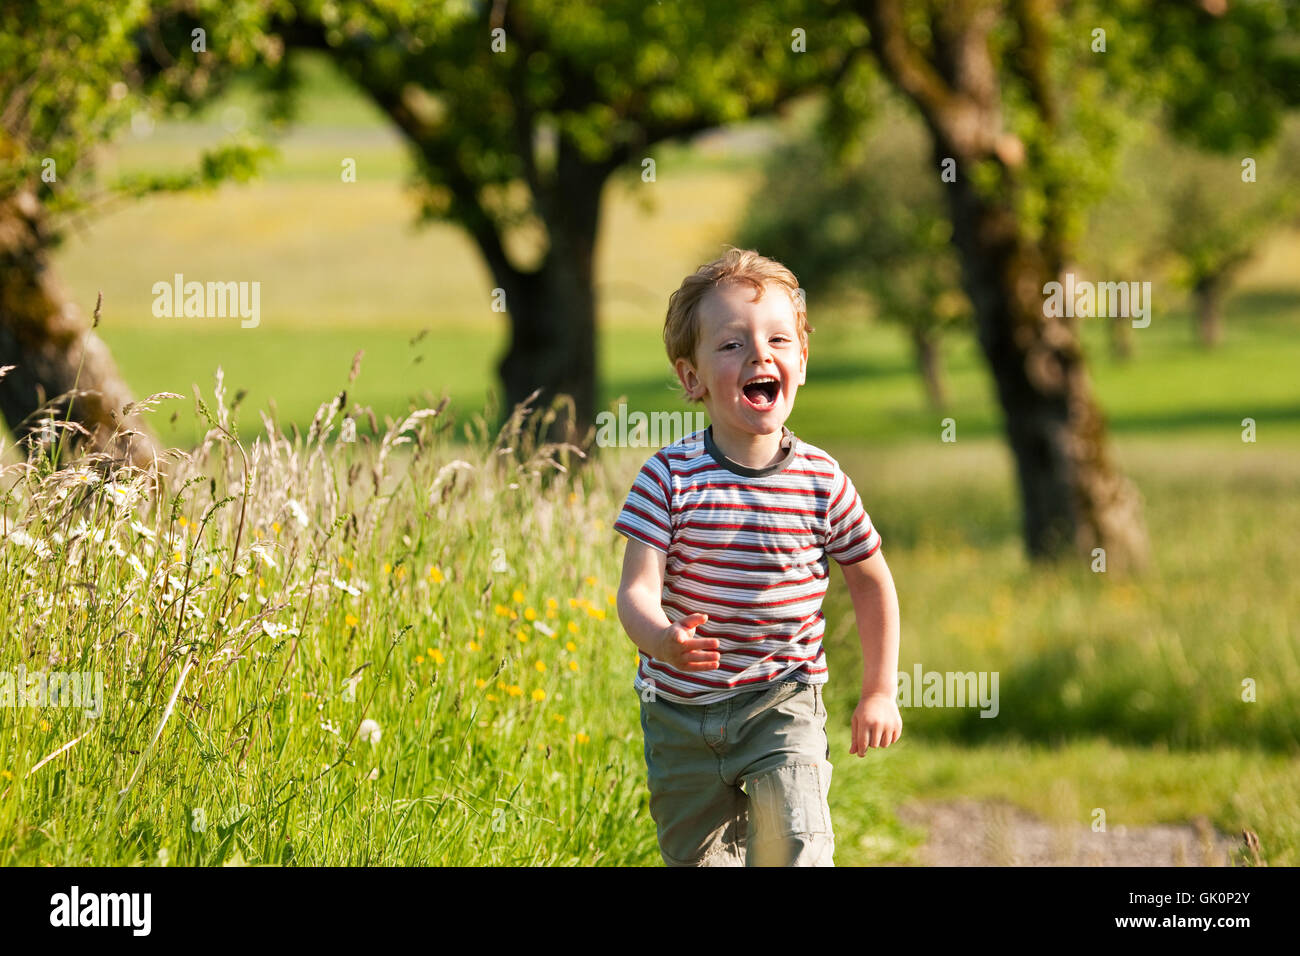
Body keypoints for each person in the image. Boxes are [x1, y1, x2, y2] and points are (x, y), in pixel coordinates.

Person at [613, 247, 903, 866]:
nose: (758, 355)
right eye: (730, 345)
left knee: (796, 846)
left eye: (777, 339)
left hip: (783, 700)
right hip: (680, 714)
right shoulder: (667, 478)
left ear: (801, 360)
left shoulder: (822, 480)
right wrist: (661, 637)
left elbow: (871, 582)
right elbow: (636, 589)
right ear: (691, 378)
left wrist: (878, 689)